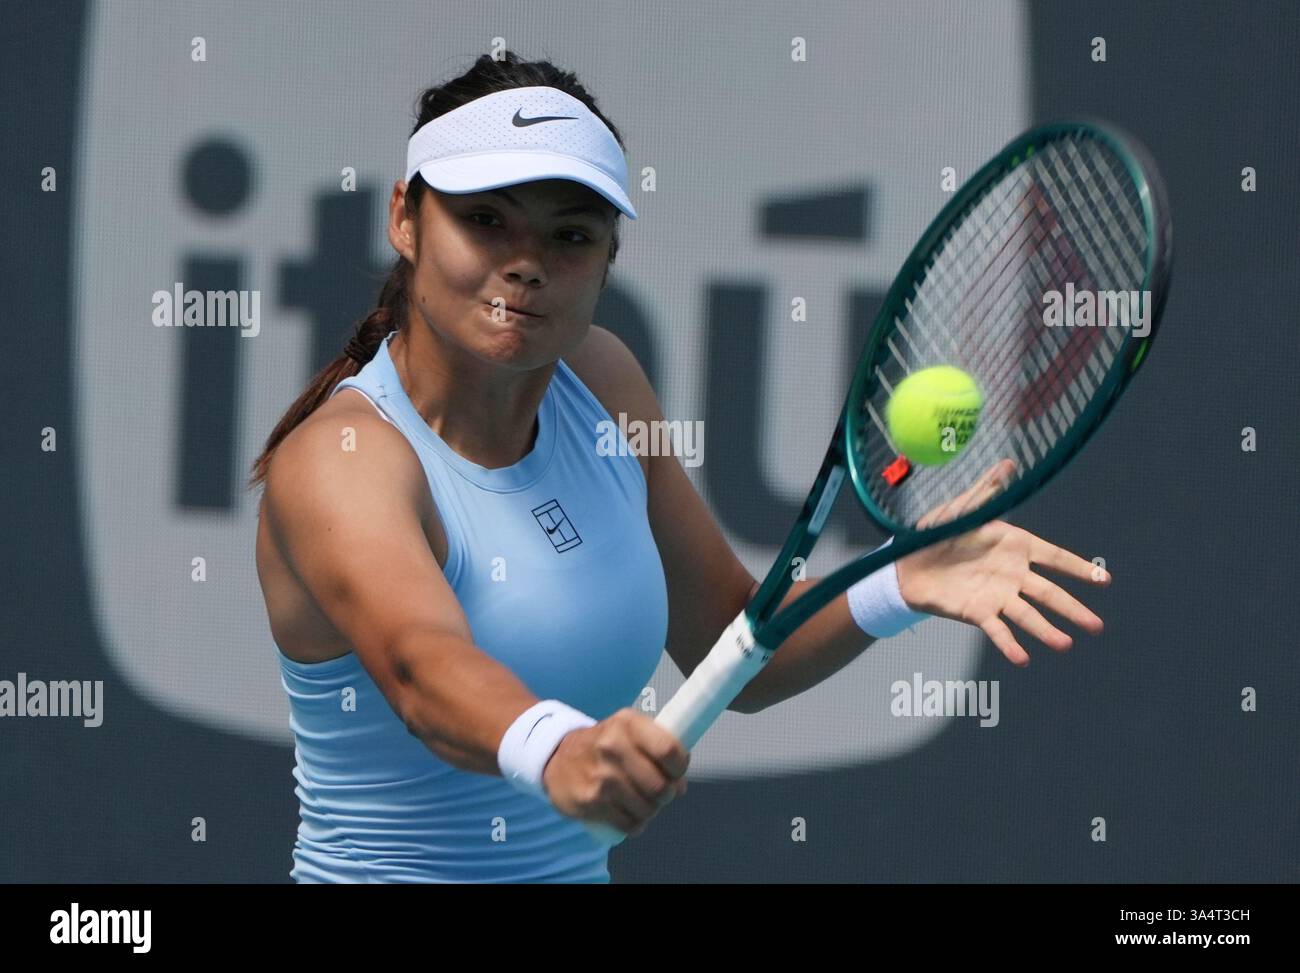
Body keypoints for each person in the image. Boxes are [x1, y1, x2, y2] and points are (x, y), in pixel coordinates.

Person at [249, 52, 1108, 883]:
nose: (527, 262)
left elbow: (742, 641)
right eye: (485, 220)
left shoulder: (604, 380)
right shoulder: (342, 459)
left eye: (571, 236)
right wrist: (560, 748)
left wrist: (895, 581)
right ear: (405, 218)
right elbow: (418, 666)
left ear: (608, 261)